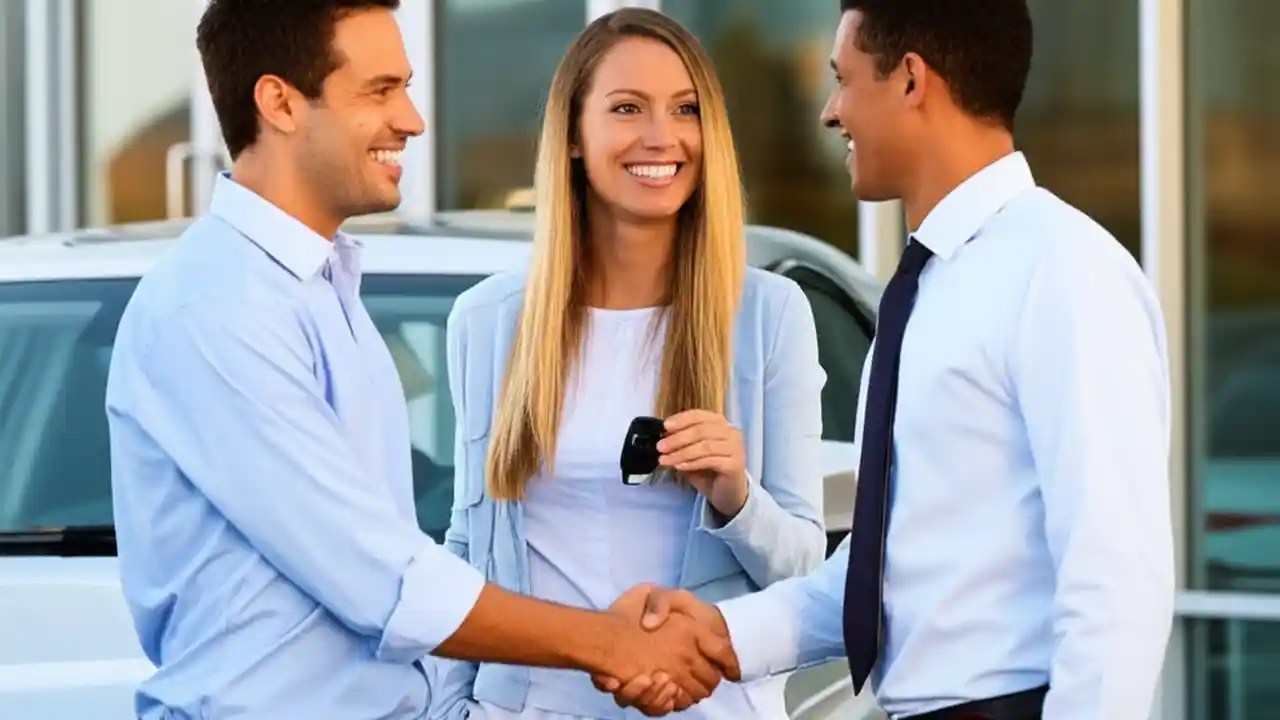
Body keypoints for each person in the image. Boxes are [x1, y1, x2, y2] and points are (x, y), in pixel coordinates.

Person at [104, 1, 738, 718]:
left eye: (406, 86)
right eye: (380, 90)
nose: (412, 119)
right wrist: (610, 644)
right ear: (279, 102)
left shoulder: (320, 289)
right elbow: (378, 576)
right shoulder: (216, 305)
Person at [604, 1, 1177, 718]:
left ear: (911, 80)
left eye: (843, 79)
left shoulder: (1063, 272)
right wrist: (718, 631)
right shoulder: (927, 291)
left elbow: (1117, 581)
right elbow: (886, 574)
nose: (830, 112)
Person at [431, 8, 827, 720]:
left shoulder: (769, 315)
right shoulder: (487, 322)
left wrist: (736, 494)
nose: (662, 136)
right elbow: (467, 548)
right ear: (574, 138)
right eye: (626, 109)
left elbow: (802, 569)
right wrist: (447, 708)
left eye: (685, 109)